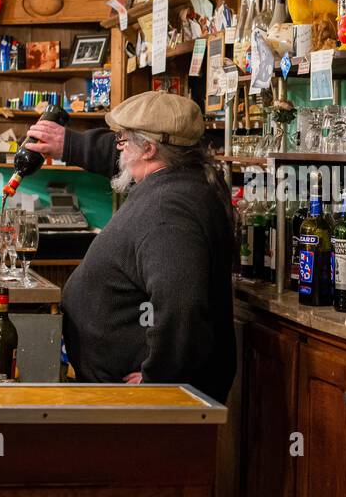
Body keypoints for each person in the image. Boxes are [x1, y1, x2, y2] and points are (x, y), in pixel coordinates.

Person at [23, 91, 236, 402]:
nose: (118, 148)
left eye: (122, 140)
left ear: (149, 149)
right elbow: (117, 156)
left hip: (146, 406)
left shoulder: (169, 210)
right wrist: (70, 144)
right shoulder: (178, 178)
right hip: (124, 394)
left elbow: (182, 306)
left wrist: (158, 380)